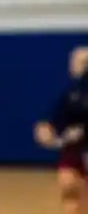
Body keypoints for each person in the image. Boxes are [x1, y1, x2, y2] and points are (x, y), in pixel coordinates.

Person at [35, 47, 88, 214]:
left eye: (79, 62)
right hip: (72, 149)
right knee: (69, 188)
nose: (73, 65)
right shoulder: (70, 92)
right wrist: (46, 127)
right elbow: (56, 115)